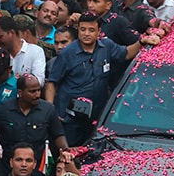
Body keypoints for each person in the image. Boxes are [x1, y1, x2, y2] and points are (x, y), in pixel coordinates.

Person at [45, 12, 142, 145]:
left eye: (91, 30)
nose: (86, 34)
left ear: (99, 32)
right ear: (78, 30)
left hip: (97, 117)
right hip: (70, 118)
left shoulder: (106, 46)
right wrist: (51, 111)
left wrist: (142, 42)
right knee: (71, 153)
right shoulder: (67, 53)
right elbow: (52, 82)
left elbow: (126, 54)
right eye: (83, 29)